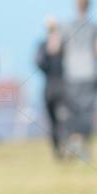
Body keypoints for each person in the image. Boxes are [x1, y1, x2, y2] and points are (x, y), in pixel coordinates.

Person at [60, 0, 97, 159]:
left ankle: (74, 141)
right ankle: (84, 145)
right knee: (87, 111)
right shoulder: (96, 27)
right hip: (90, 73)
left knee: (72, 110)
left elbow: (57, 48)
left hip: (71, 74)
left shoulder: (66, 27)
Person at [35, 16, 65, 159]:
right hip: (51, 88)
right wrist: (49, 51)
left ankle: (64, 147)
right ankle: (57, 150)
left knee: (64, 120)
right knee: (53, 122)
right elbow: (39, 64)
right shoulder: (43, 46)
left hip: (63, 88)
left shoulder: (65, 45)